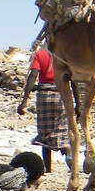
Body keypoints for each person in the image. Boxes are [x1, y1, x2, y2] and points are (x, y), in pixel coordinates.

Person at [16, 45, 69, 173]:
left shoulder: (40, 54)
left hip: (44, 97)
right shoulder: (65, 53)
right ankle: (73, 167)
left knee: (45, 135)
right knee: (63, 135)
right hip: (61, 95)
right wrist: (77, 104)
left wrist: (24, 100)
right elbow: (72, 79)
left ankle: (48, 169)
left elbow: (33, 75)